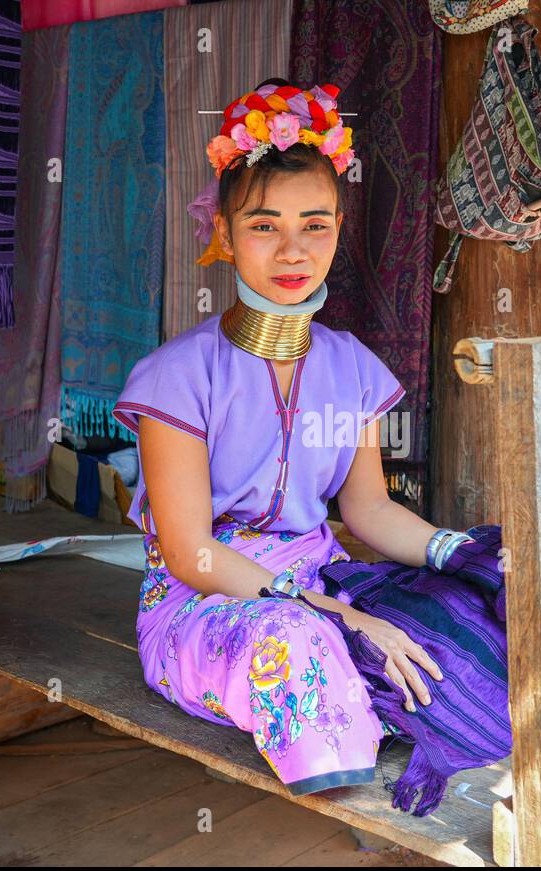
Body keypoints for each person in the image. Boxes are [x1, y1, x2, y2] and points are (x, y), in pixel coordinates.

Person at [110, 80, 477, 796]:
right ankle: (353, 767)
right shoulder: (175, 379)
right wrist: (338, 613)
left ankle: (384, 696)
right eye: (262, 225)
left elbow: (367, 512)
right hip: (207, 603)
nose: (291, 249)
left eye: (315, 224)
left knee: (457, 613)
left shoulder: (351, 369)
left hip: (322, 578)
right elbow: (190, 552)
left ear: (339, 229)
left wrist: (462, 554)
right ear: (222, 233)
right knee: (298, 642)